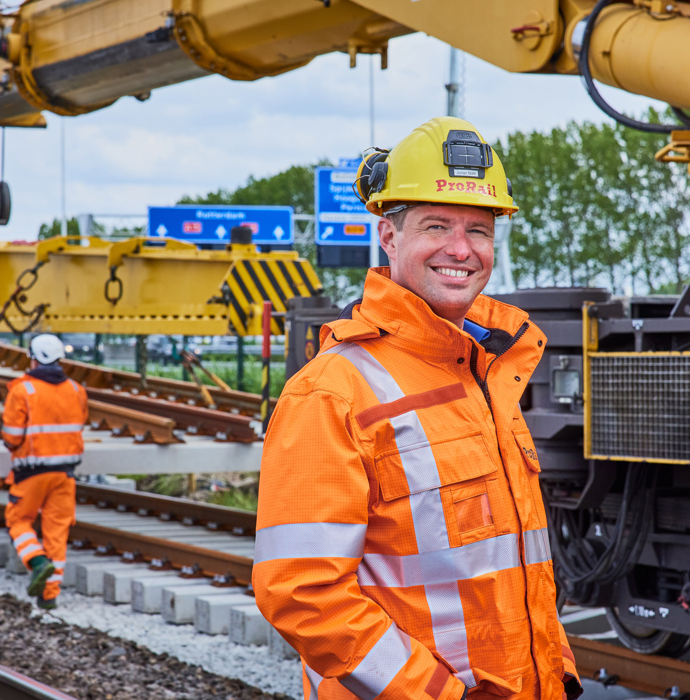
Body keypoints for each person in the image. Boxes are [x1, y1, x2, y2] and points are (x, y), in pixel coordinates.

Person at [253, 117, 582, 700]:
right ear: (388, 236)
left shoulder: (485, 374)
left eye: (479, 230)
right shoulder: (331, 391)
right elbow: (302, 594)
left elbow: (509, 573)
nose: (461, 249)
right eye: (437, 226)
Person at [1, 333, 88, 610]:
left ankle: (38, 563)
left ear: (33, 357)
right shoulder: (76, 390)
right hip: (65, 474)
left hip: (31, 473)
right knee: (57, 531)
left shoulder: (23, 390)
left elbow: (12, 437)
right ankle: (49, 597)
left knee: (18, 521)